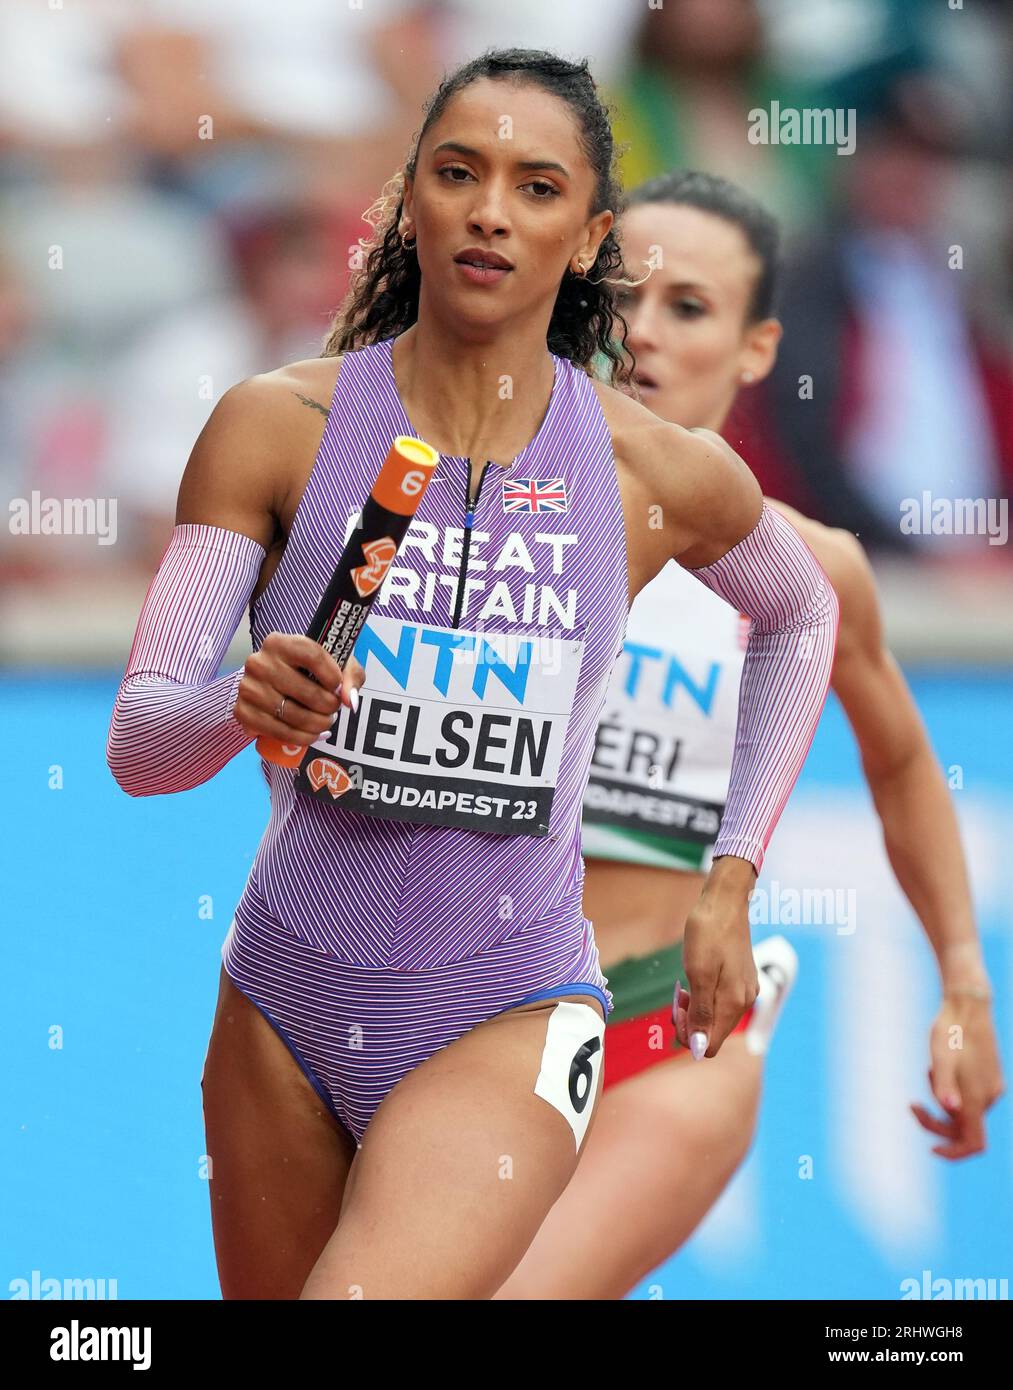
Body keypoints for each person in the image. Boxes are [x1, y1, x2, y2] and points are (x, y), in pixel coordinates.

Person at [105, 52, 838, 1301]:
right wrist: (235, 705)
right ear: (409, 203)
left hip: (508, 1006)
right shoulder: (273, 425)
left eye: (535, 185)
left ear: (589, 232)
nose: (491, 209)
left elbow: (800, 609)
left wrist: (731, 876)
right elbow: (136, 744)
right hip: (279, 996)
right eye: (458, 173)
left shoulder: (650, 468)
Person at [496, 170, 1005, 1301]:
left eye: (690, 306)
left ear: (757, 346)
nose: (643, 332)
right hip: (455, 1018)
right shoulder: (483, 512)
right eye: (621, 293)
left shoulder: (808, 569)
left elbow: (904, 764)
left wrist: (963, 986)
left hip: (664, 1037)